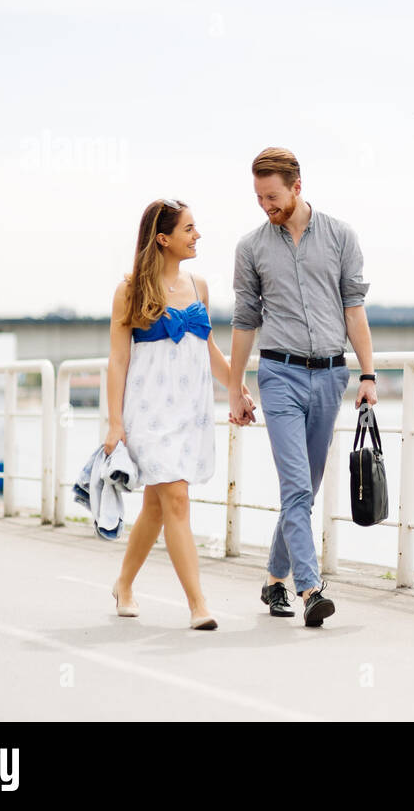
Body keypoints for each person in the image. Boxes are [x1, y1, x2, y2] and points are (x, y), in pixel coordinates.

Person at [229, 147, 376, 627]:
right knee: (295, 486)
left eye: (272, 195)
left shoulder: (340, 236)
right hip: (279, 375)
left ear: (297, 187)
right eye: (258, 196)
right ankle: (310, 589)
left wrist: (368, 375)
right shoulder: (251, 248)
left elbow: (354, 310)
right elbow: (245, 322)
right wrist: (235, 388)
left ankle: (274, 579)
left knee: (304, 492)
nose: (265, 205)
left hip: (331, 376)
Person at [105, 198, 257, 630]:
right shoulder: (129, 291)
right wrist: (115, 422)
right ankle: (198, 605)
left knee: (157, 505)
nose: (198, 236)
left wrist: (237, 390)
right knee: (176, 498)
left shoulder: (199, 286)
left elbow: (206, 349)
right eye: (189, 229)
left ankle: (124, 584)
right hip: (148, 412)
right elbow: (117, 361)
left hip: (190, 410)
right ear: (163, 238)